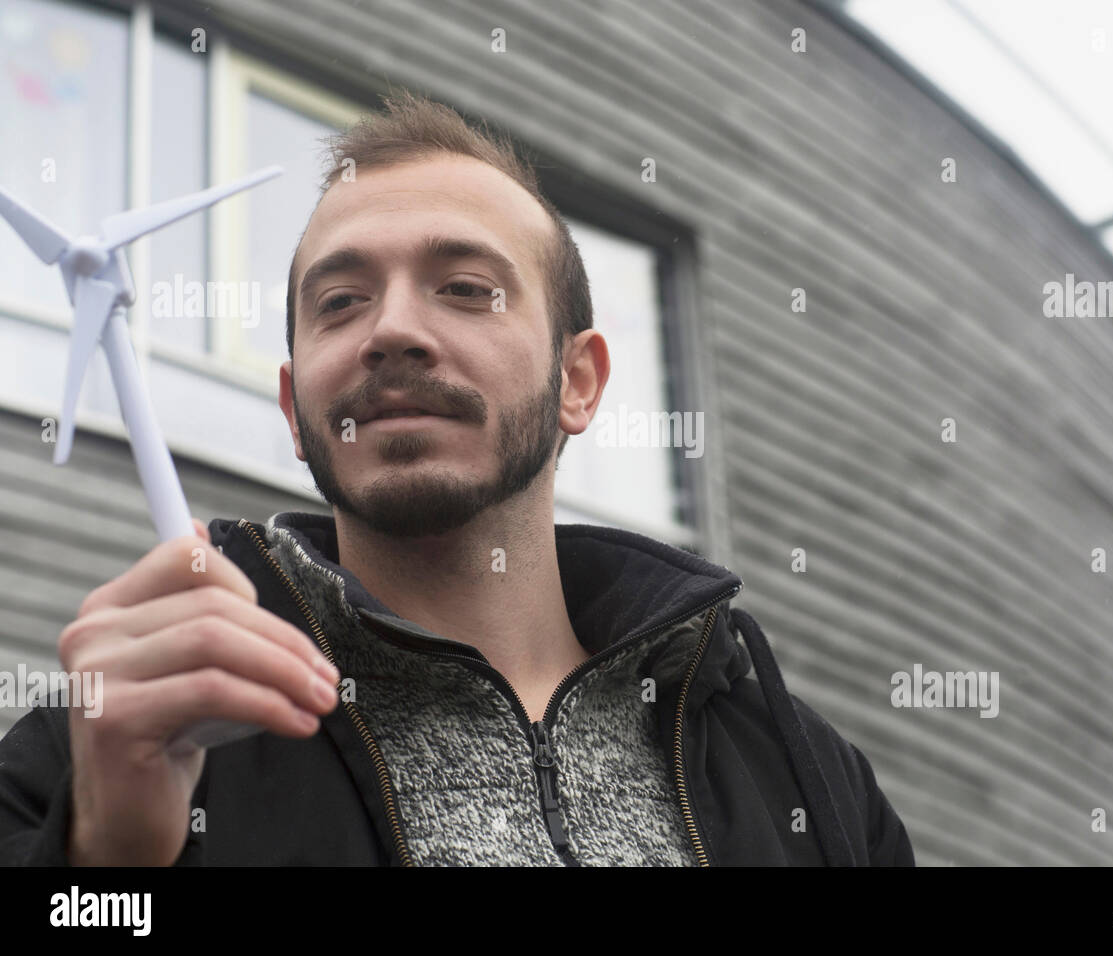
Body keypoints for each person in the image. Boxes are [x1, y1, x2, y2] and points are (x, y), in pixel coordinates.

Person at [0, 90, 913, 867]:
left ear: (580, 380)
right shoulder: (111, 740)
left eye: (466, 288)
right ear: (292, 406)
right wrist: (107, 857)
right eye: (340, 302)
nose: (390, 330)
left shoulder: (806, 778)